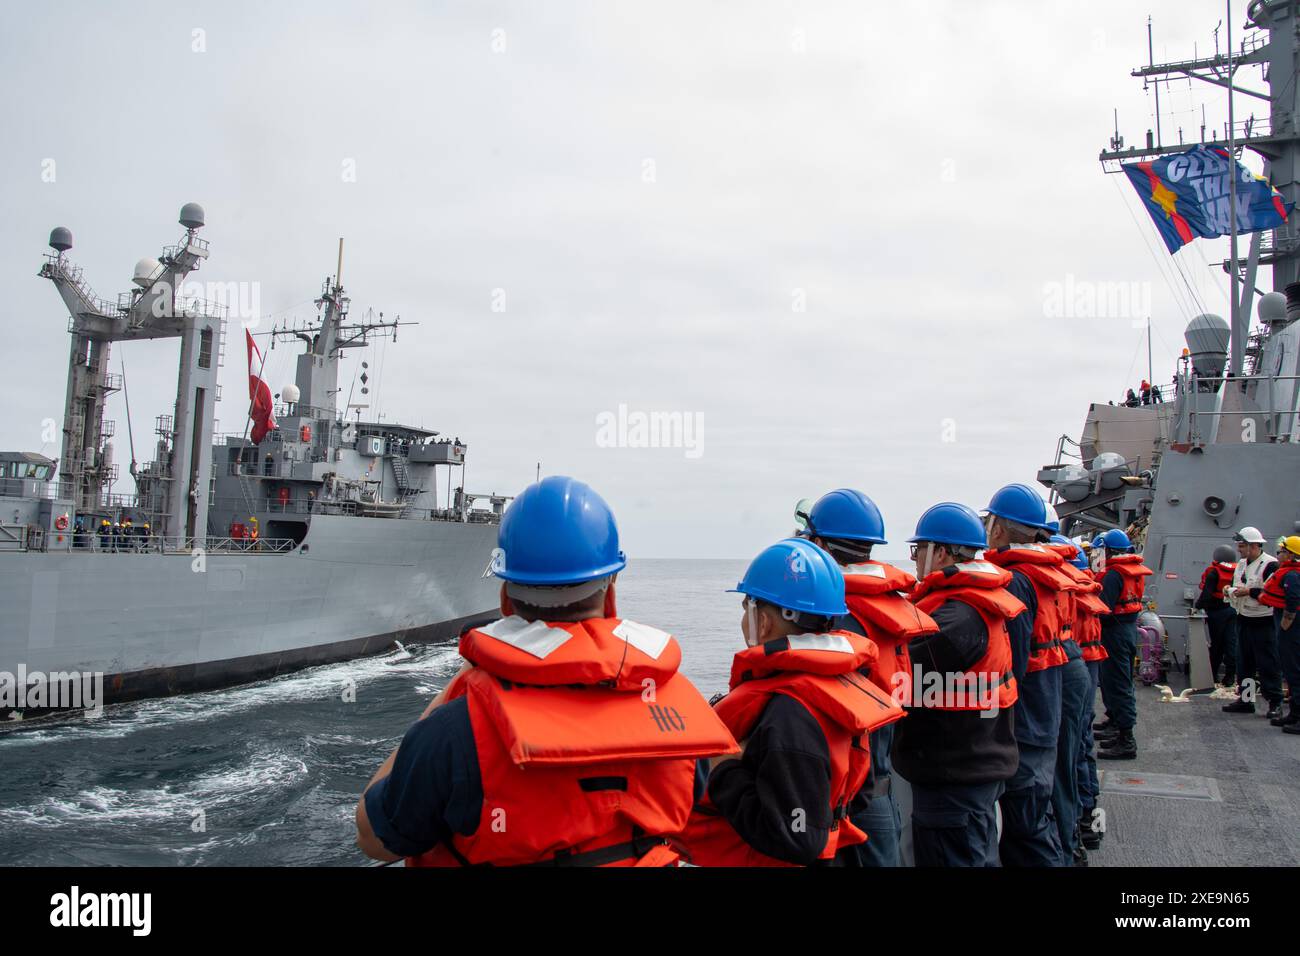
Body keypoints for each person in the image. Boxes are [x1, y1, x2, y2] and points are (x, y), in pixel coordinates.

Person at [354, 476, 737, 866]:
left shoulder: (457, 725)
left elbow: (375, 839)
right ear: (612, 585)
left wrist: (449, 696)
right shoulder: (681, 713)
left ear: (505, 595)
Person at [680, 537, 903, 866]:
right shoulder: (845, 686)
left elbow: (797, 839)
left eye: (747, 609)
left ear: (764, 620)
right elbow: (861, 792)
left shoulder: (787, 713)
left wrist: (724, 770)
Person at [798, 489, 939, 867]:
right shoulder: (891, 607)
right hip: (880, 779)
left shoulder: (837, 615)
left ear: (820, 543)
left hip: (850, 796)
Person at [893, 502, 1023, 867]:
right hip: (980, 765)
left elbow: (896, 672)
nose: (916, 558)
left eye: (919, 549)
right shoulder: (975, 606)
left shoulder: (954, 620)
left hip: (954, 776)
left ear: (942, 552)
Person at [981, 484, 1071, 867]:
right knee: (1035, 820)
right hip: (1046, 711)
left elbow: (1011, 664)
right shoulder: (1045, 572)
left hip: (1029, 724)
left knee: (1026, 829)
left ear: (999, 528)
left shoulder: (1017, 580)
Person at [1052, 536, 1110, 855]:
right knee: (1082, 747)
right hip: (1087, 668)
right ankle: (1088, 820)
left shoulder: (1067, 595)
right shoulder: (1085, 589)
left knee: (1074, 753)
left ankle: (1079, 829)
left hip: (1074, 671)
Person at [1092, 529, 1153, 759]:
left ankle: (1126, 739)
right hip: (1127, 629)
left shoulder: (1113, 575)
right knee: (1114, 680)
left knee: (1118, 683)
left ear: (1107, 551)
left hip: (1115, 633)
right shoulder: (1131, 572)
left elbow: (1103, 608)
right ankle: (1116, 723)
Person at [1223, 526, 1285, 719]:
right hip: (1243, 617)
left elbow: (1271, 593)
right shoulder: (1241, 564)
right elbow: (1238, 585)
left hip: (1263, 620)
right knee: (1245, 662)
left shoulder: (1271, 565)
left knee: (1268, 663)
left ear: (1253, 546)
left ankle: (1275, 702)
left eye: (1242, 546)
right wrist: (1230, 591)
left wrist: (1249, 592)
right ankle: (1246, 699)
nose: (1239, 550)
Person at [1259, 535, 1300, 732]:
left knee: (1294, 670)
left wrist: (1287, 620)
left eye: (1282, 552)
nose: (1279, 555)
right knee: (1290, 670)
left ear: (1291, 555)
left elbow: (1292, 598)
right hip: (1288, 625)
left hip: (1292, 628)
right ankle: (1294, 714)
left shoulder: (1292, 575)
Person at [1194, 545, 1240, 687]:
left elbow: (1206, 595)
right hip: (1233, 611)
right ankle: (1230, 676)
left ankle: (1213, 676)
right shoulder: (1238, 571)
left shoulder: (1214, 572)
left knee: (1217, 645)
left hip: (1217, 613)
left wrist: (1197, 606)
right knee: (1231, 644)